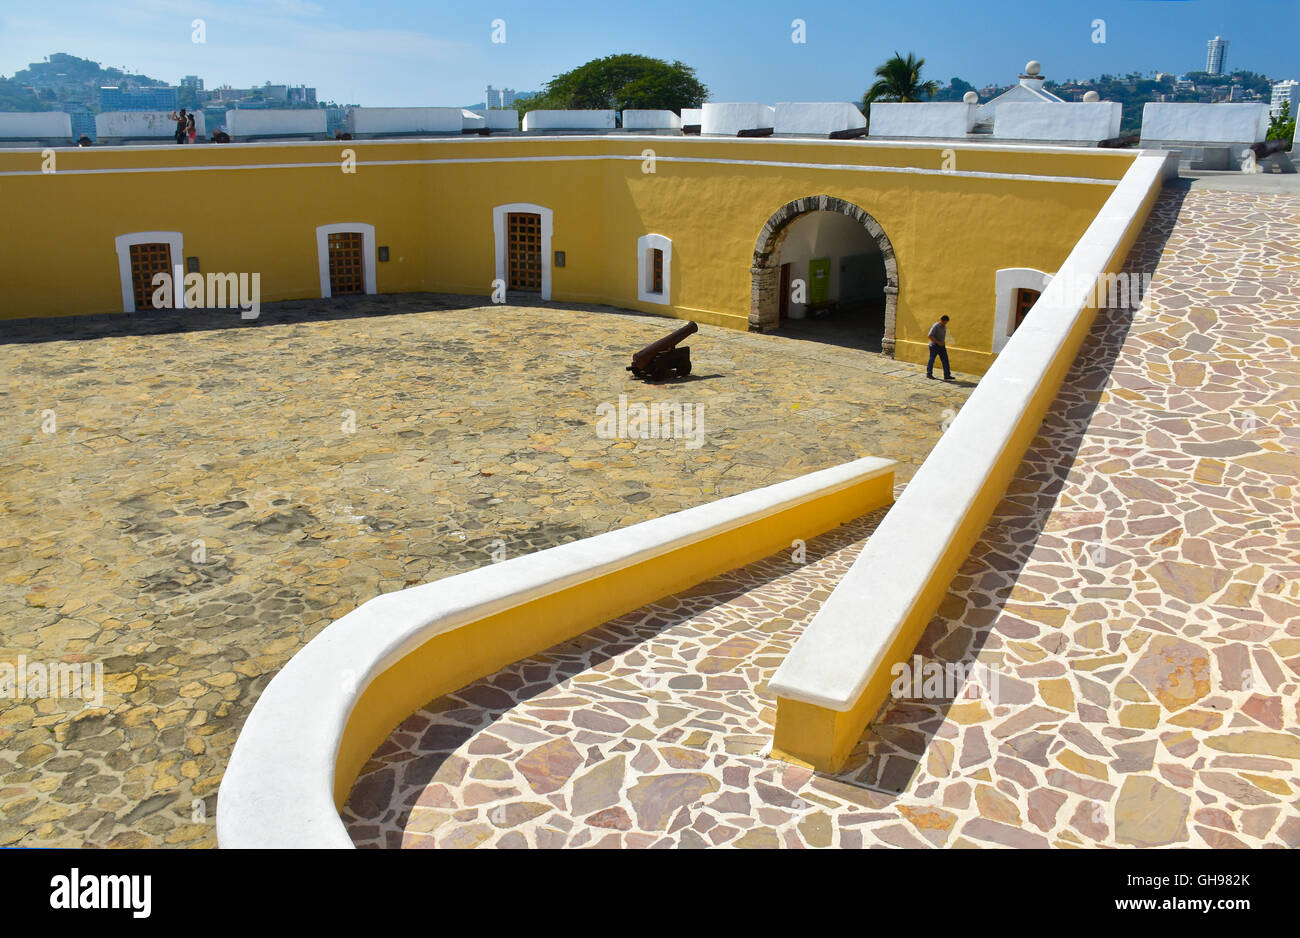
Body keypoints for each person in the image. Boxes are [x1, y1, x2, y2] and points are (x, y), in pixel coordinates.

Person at [927, 315, 953, 381]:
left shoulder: (944, 326)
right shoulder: (935, 326)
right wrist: (938, 342)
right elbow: (930, 336)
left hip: (942, 346)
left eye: (946, 323)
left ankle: (947, 375)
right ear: (941, 320)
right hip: (934, 346)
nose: (945, 324)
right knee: (932, 359)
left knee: (945, 360)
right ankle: (929, 374)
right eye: (944, 322)